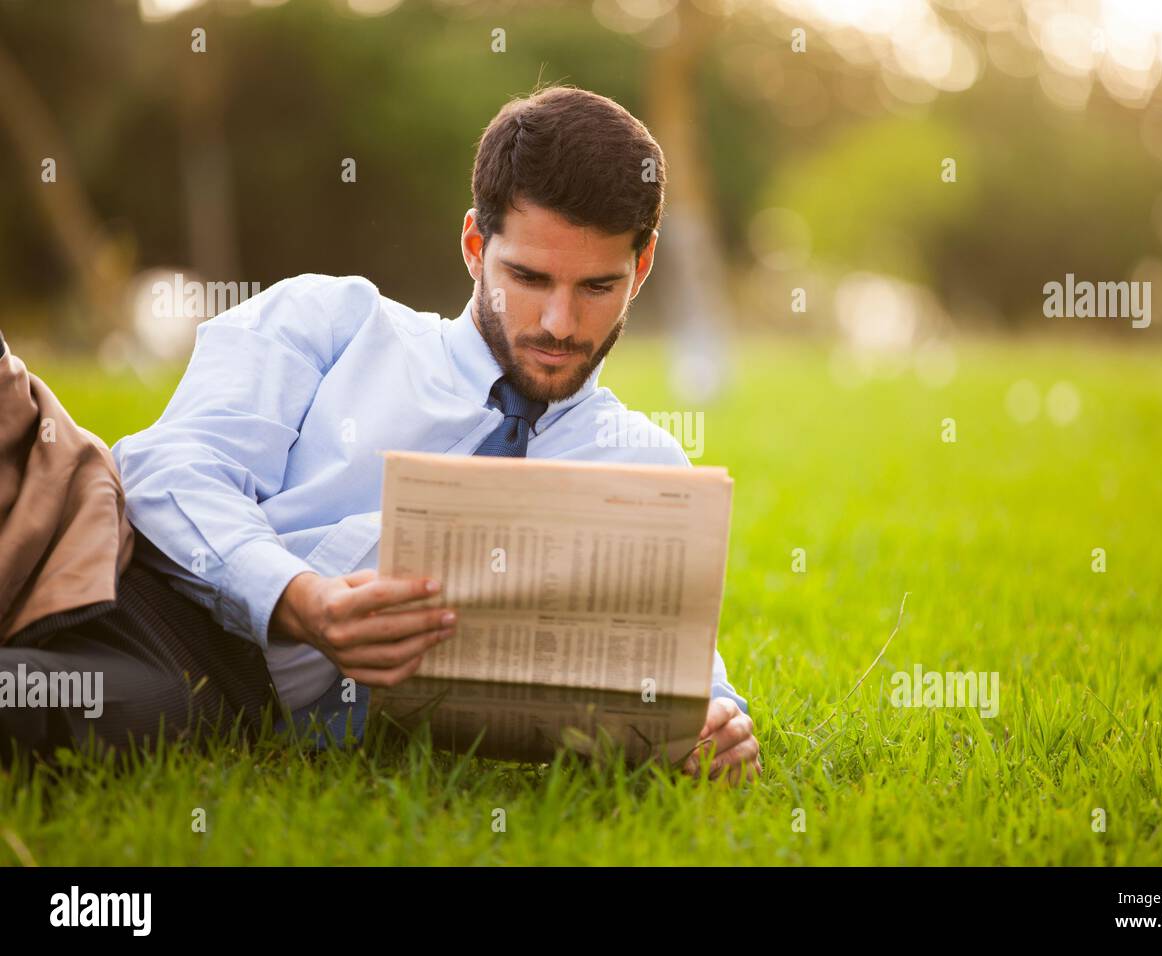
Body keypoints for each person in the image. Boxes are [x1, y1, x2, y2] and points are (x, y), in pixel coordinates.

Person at [0, 85, 759, 782]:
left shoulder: (639, 467)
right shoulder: (332, 320)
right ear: (473, 246)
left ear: (643, 265)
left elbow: (687, 675)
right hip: (123, 574)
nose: (560, 325)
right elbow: (170, 470)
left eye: (598, 287)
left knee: (65, 709)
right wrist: (299, 600)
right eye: (528, 279)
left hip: (206, 681)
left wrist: (718, 727)